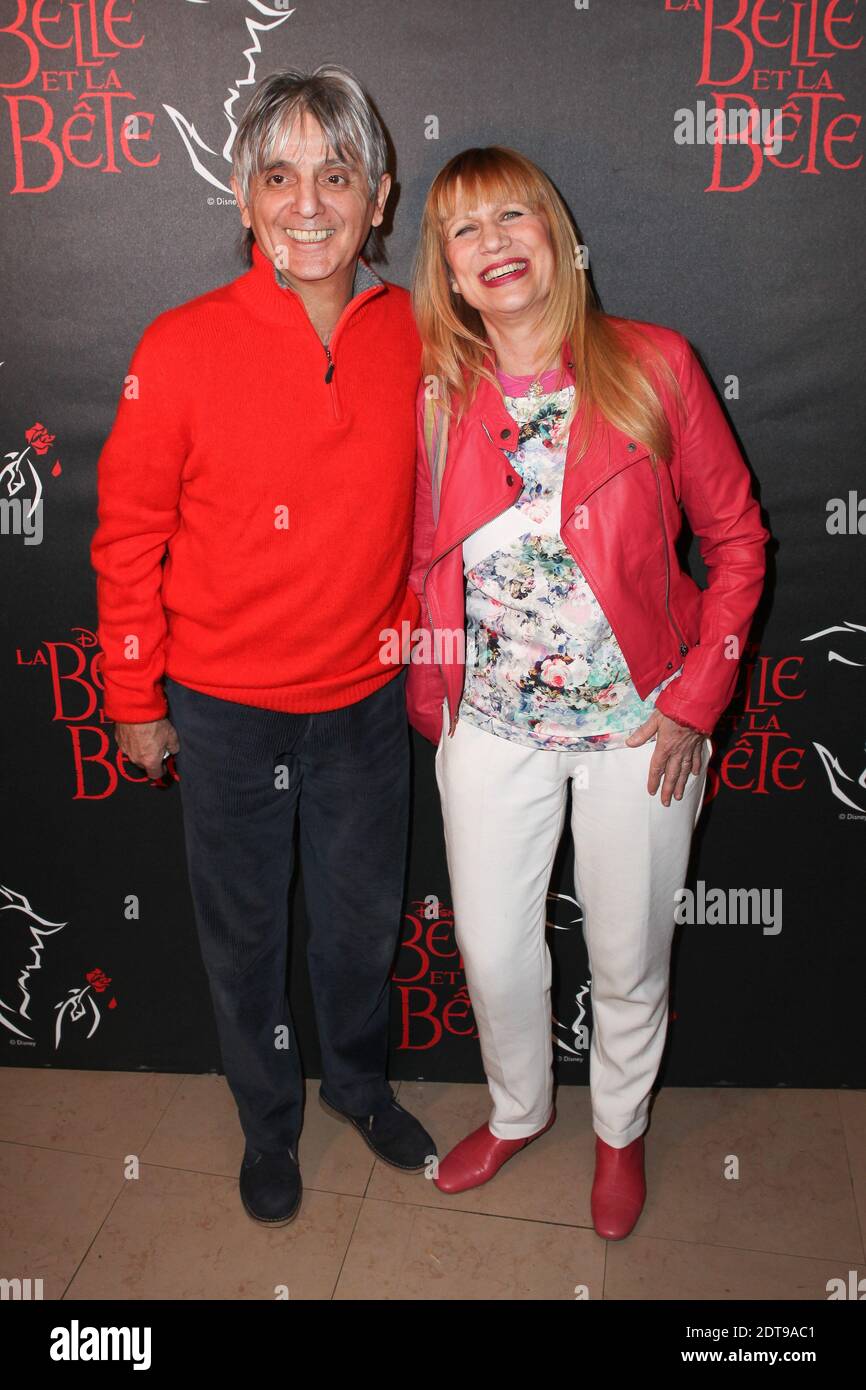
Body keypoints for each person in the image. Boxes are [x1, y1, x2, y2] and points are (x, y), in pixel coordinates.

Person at [90, 66, 436, 1228]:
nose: (306, 204)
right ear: (243, 199)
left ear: (377, 197)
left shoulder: (421, 337)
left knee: (355, 925)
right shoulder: (180, 344)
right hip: (225, 709)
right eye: (278, 176)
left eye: (334, 175)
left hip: (365, 705)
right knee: (243, 938)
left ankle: (354, 1083)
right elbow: (128, 536)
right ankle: (266, 1124)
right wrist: (133, 697)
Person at [406, 145, 769, 1239]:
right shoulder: (433, 396)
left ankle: (617, 1129)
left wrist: (697, 694)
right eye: (465, 230)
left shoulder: (652, 363)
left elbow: (736, 540)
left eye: (513, 216)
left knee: (625, 950)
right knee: (494, 948)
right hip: (489, 729)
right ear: (448, 269)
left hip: (638, 730)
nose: (494, 243)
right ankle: (517, 1111)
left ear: (557, 235)